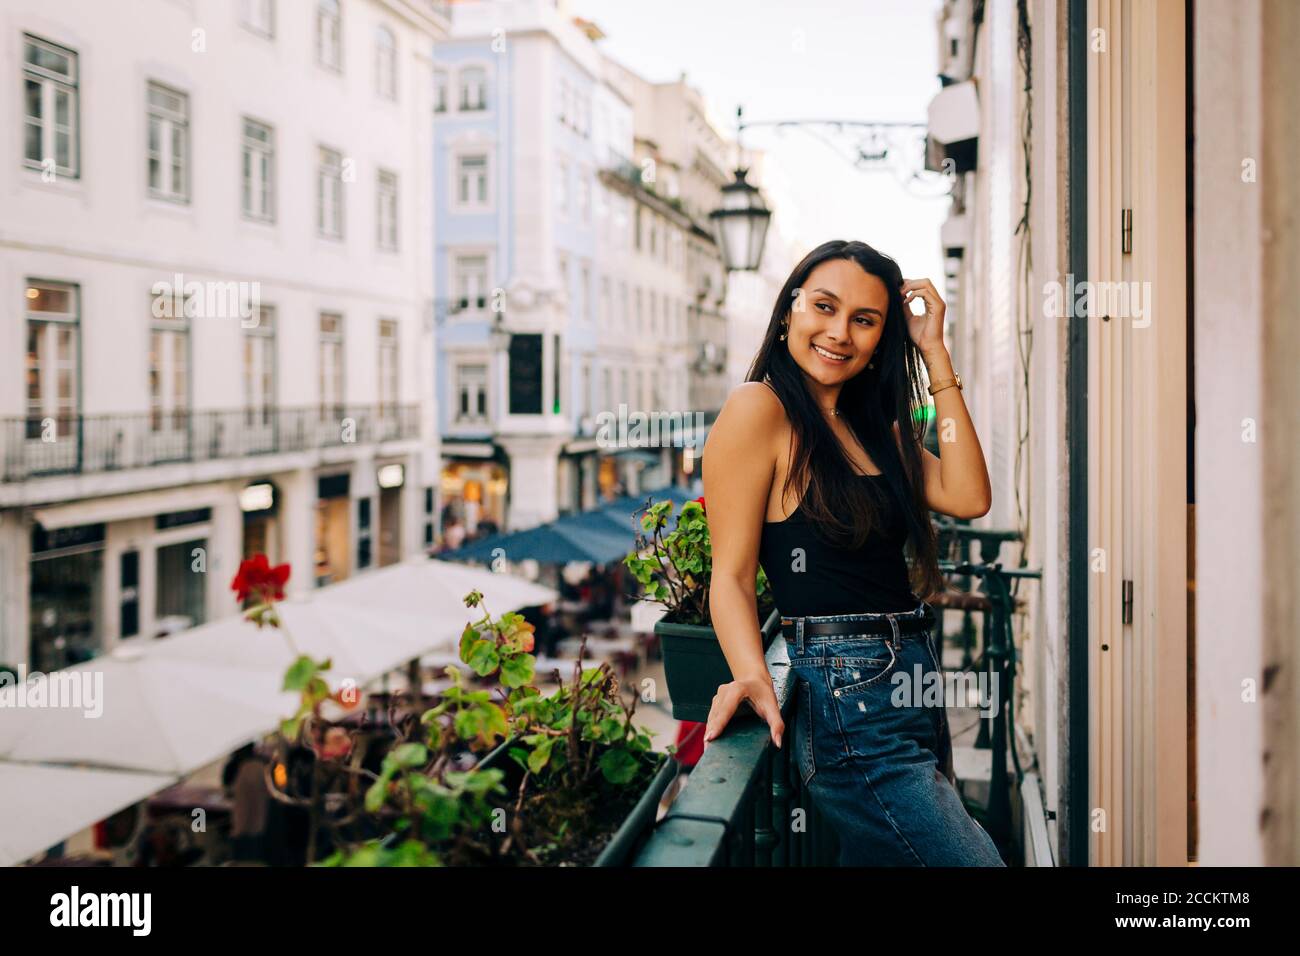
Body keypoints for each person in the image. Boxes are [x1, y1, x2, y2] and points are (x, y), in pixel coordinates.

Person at [700, 239, 1003, 867]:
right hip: (847, 698)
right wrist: (751, 673)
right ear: (789, 311)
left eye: (864, 319)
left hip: (912, 675)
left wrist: (935, 352)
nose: (840, 332)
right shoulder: (759, 409)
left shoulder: (874, 427)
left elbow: (970, 494)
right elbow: (729, 574)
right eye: (824, 307)